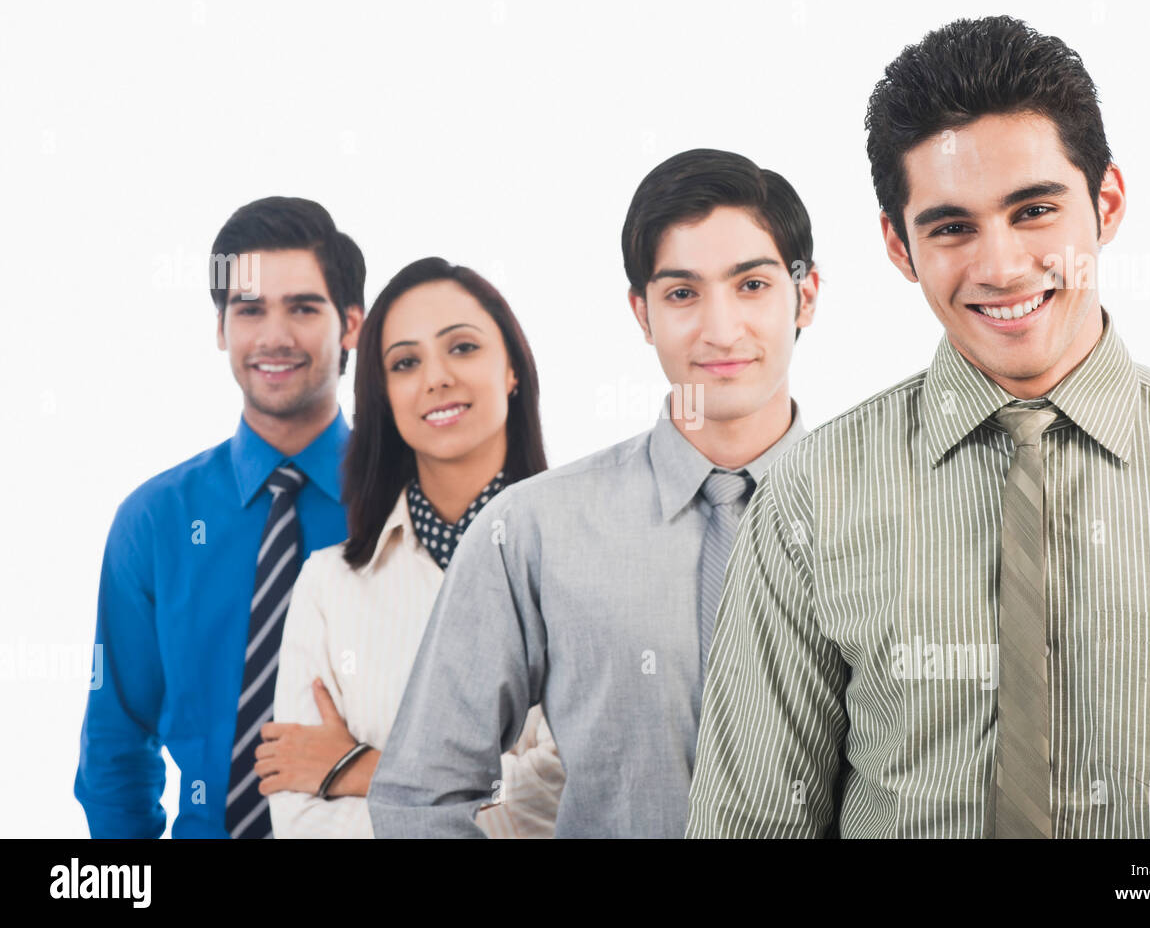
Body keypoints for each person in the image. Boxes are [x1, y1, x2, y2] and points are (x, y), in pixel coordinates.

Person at [685, 15, 1150, 839]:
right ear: (900, 248)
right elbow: (750, 825)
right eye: (951, 227)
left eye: (1035, 209)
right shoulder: (808, 497)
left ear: (1105, 202)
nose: (1002, 266)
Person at [367, 148, 820, 837]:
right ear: (642, 314)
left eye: (752, 285)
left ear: (805, 296)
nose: (721, 329)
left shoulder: (892, 512)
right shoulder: (532, 529)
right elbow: (420, 795)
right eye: (682, 293)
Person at [74, 197, 365, 838]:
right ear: (220, 327)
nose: (274, 336)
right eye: (249, 309)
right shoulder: (153, 523)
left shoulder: (403, 506)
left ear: (350, 325)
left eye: (303, 307)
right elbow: (116, 755)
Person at [253, 257, 563, 837]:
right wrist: (479, 793)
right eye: (405, 363)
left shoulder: (582, 562)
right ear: (385, 398)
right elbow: (300, 818)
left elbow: (570, 788)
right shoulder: (328, 584)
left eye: (463, 348)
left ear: (513, 370)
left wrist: (355, 766)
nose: (436, 377)